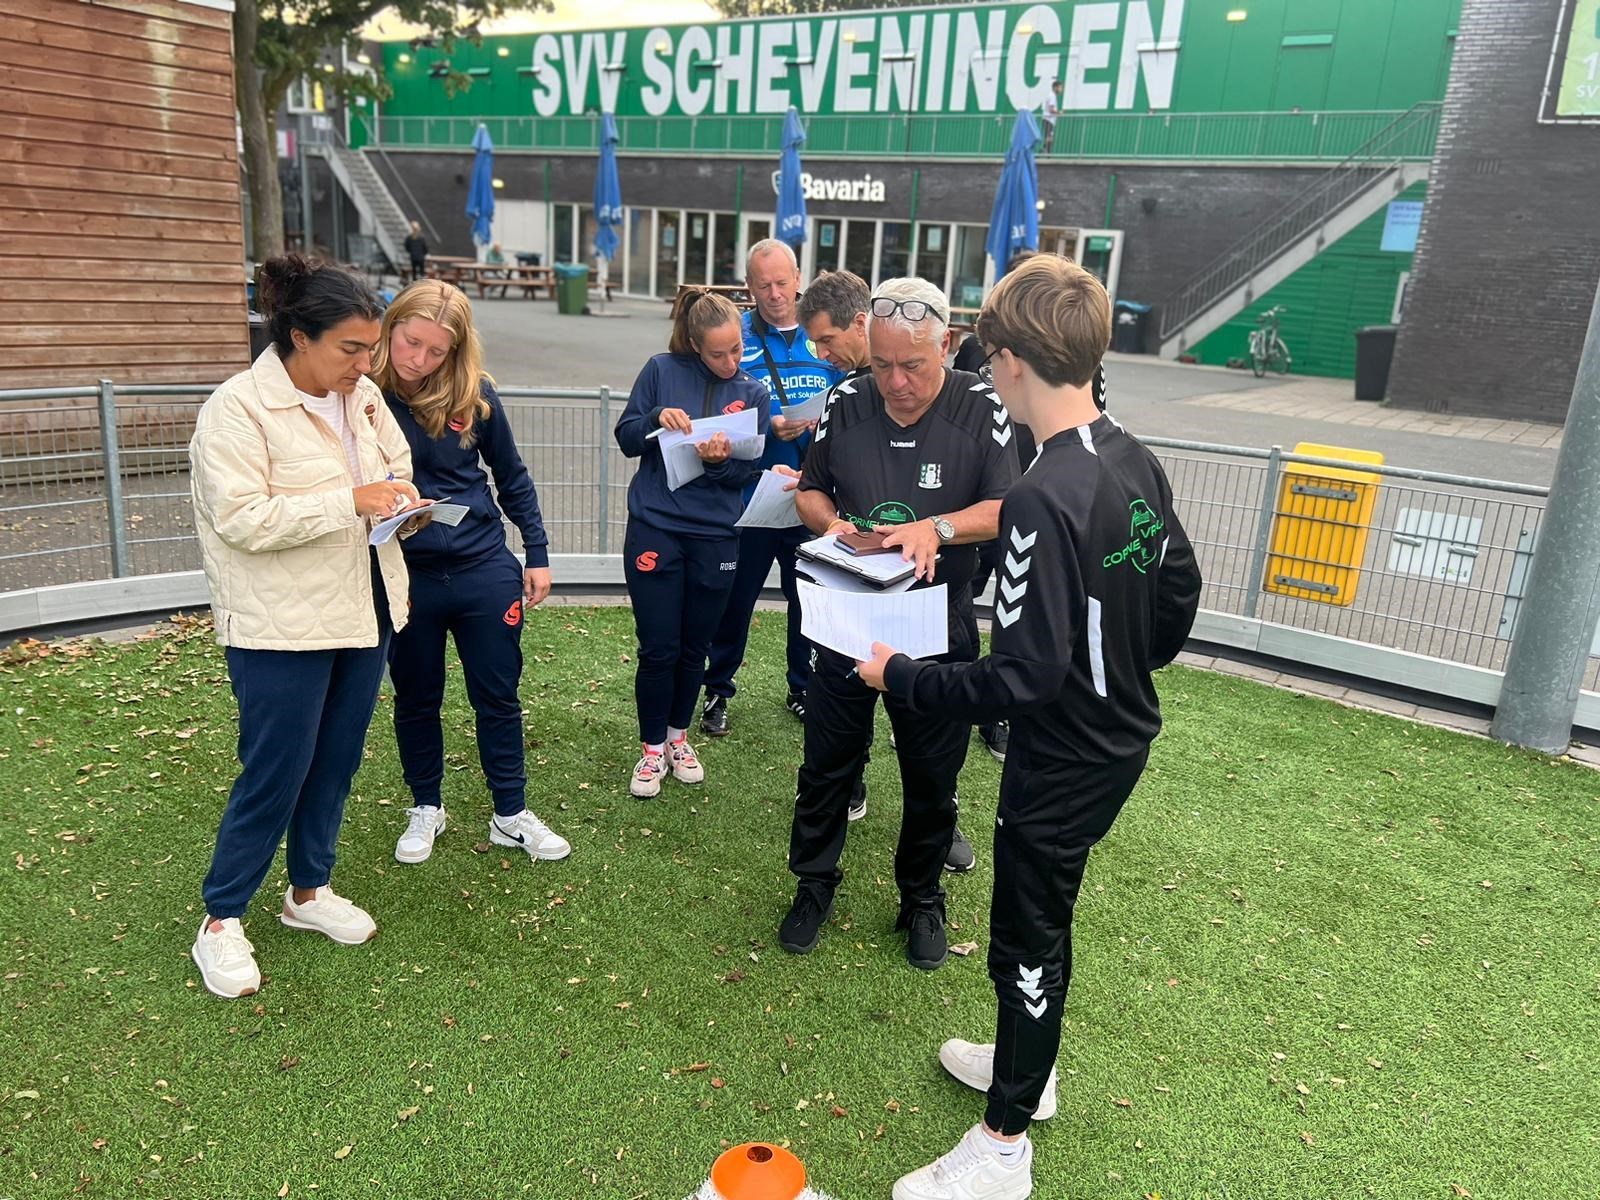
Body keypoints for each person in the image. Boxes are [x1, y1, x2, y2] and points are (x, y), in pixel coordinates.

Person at [855, 257, 1202, 1200]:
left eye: (985, 356)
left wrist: (902, 676)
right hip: (1119, 736)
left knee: (1026, 936)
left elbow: (1020, 677)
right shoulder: (1130, 452)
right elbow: (1178, 590)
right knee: (1044, 919)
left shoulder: (1042, 496)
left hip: (1066, 757)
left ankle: (1005, 1143)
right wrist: (1122, 662)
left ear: (1008, 363)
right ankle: (1027, 1065)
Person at [188, 254, 419, 999]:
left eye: (370, 349)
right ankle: (221, 919)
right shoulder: (236, 409)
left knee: (337, 760)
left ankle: (308, 891)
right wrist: (351, 500)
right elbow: (241, 519)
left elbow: (395, 468)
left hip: (366, 607)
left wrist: (405, 504)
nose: (365, 365)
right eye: (350, 349)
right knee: (276, 770)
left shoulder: (364, 397)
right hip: (278, 624)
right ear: (298, 336)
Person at [780, 277, 1020, 971]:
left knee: (931, 773)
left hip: (936, 620)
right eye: (882, 363)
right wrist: (834, 525)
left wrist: (935, 529)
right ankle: (813, 884)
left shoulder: (982, 405)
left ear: (945, 346)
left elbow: (1008, 505)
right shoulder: (848, 400)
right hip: (849, 614)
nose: (895, 382)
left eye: (912, 365)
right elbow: (810, 490)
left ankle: (921, 899)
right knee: (827, 763)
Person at [373, 280, 571, 868]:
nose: (419, 360)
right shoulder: (362, 393)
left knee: (498, 695)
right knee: (416, 696)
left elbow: (511, 475)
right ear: (390, 326)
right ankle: (426, 806)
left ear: (456, 352)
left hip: (483, 566)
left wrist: (537, 552)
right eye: (411, 342)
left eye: (437, 351)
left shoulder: (474, 393)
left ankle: (510, 814)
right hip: (407, 573)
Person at [616, 291, 772, 798]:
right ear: (694, 344)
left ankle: (678, 738)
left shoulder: (753, 392)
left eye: (736, 349)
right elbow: (626, 437)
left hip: (717, 536)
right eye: (718, 353)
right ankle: (651, 749)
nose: (730, 362)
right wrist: (656, 418)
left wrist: (718, 462)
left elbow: (746, 472)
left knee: (694, 647)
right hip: (656, 528)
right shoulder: (660, 370)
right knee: (659, 647)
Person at [700, 240, 842, 739]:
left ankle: (802, 688)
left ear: (799, 278)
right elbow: (713, 408)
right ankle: (718, 689)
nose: (776, 294)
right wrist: (769, 424)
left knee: (808, 599)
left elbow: (848, 398)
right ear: (748, 286)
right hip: (751, 497)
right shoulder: (734, 336)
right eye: (764, 285)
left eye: (783, 282)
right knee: (735, 600)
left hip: (812, 496)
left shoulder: (823, 331)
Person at [1042, 79, 1063, 153]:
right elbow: (1051, 109)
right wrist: (1059, 112)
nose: (1061, 89)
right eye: (1060, 87)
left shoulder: (1052, 96)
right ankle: (1045, 151)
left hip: (1049, 120)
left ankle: (1045, 151)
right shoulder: (1052, 96)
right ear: (1055, 87)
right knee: (1049, 137)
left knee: (1049, 137)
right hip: (1048, 120)